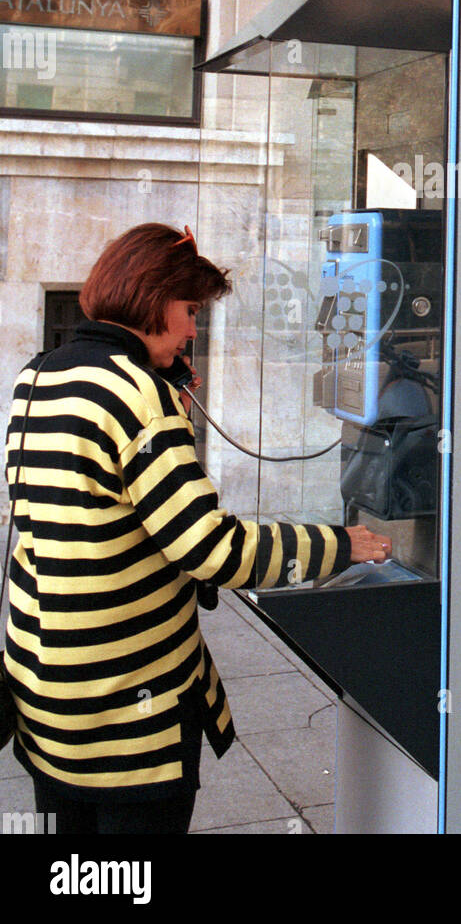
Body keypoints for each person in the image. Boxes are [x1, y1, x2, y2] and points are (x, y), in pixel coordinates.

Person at [3, 222, 391, 835]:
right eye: (188, 310)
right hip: (128, 711)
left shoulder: (39, 376)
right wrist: (339, 545)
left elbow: (80, 522)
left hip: (48, 693)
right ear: (153, 299)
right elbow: (211, 549)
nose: (192, 329)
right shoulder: (136, 394)